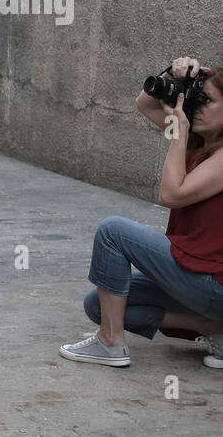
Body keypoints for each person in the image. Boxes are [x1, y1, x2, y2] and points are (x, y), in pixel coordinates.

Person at [62, 56, 223, 368]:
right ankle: (213, 328)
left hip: (215, 284)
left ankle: (110, 344)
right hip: (200, 279)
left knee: (113, 232)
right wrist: (172, 75)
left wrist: (178, 132)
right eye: (197, 99)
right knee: (100, 305)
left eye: (209, 100)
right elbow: (145, 104)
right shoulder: (200, 141)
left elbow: (171, 194)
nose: (198, 106)